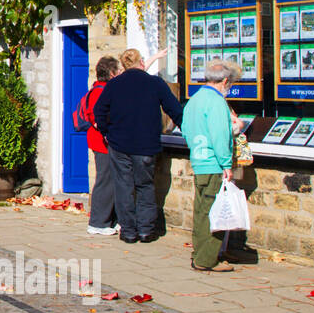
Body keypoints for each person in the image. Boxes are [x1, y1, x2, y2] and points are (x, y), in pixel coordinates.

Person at [92, 47, 183, 244]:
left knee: (123, 187)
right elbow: (175, 109)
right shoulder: (154, 83)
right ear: (142, 63)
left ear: (124, 65)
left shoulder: (114, 84)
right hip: (146, 144)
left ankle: (129, 231)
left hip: (119, 144)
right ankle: (145, 230)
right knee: (145, 186)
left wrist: (107, 132)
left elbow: (99, 111)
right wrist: (189, 131)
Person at [181, 58, 248, 272]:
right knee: (215, 213)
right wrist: (226, 163)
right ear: (225, 81)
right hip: (213, 164)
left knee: (201, 212)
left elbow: (185, 129)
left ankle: (200, 253)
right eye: (231, 84)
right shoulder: (217, 102)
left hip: (199, 161)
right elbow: (221, 135)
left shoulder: (195, 99)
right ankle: (207, 260)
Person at [78, 55, 122, 236]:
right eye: (118, 70)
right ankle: (98, 222)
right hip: (102, 142)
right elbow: (97, 118)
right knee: (105, 180)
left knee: (109, 179)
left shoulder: (99, 89)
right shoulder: (100, 92)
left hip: (101, 140)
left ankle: (109, 220)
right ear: (111, 73)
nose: (120, 73)